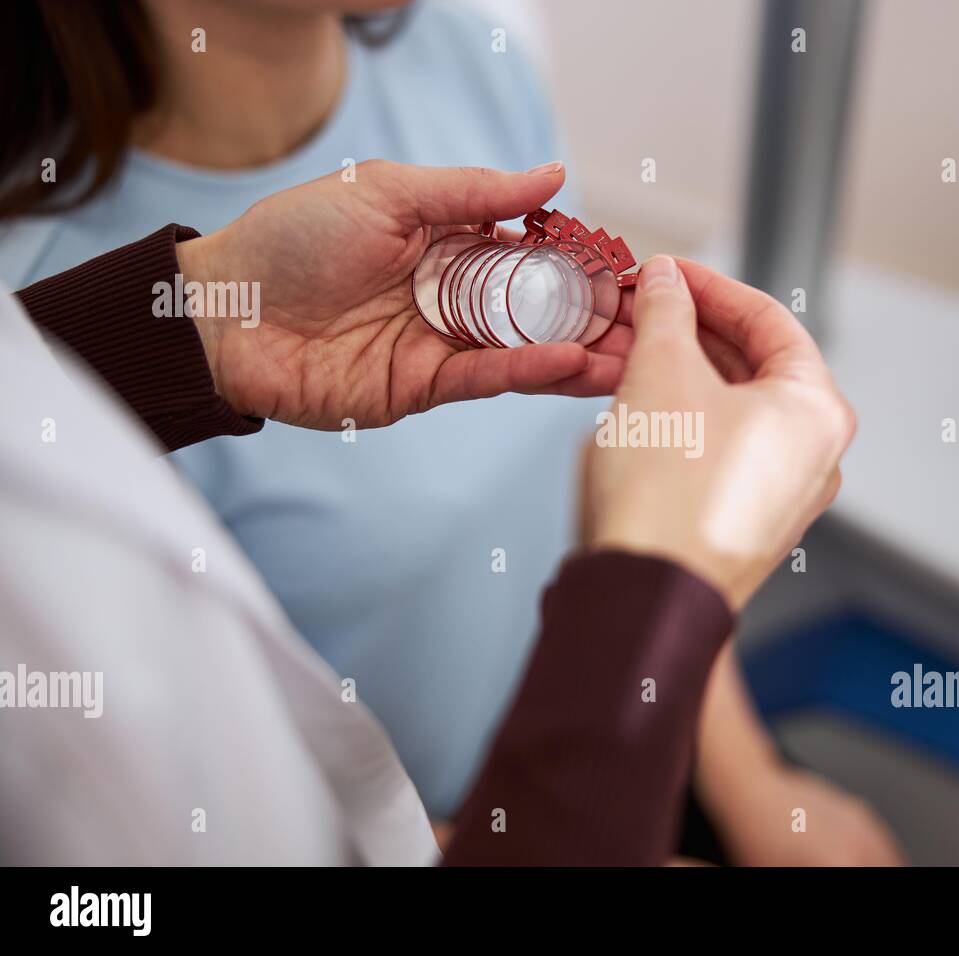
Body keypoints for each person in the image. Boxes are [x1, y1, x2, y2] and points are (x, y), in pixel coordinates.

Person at [0, 0, 900, 864]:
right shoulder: (36, 340)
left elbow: (595, 456)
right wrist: (687, 571)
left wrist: (752, 784)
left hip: (622, 721)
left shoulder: (473, 59)